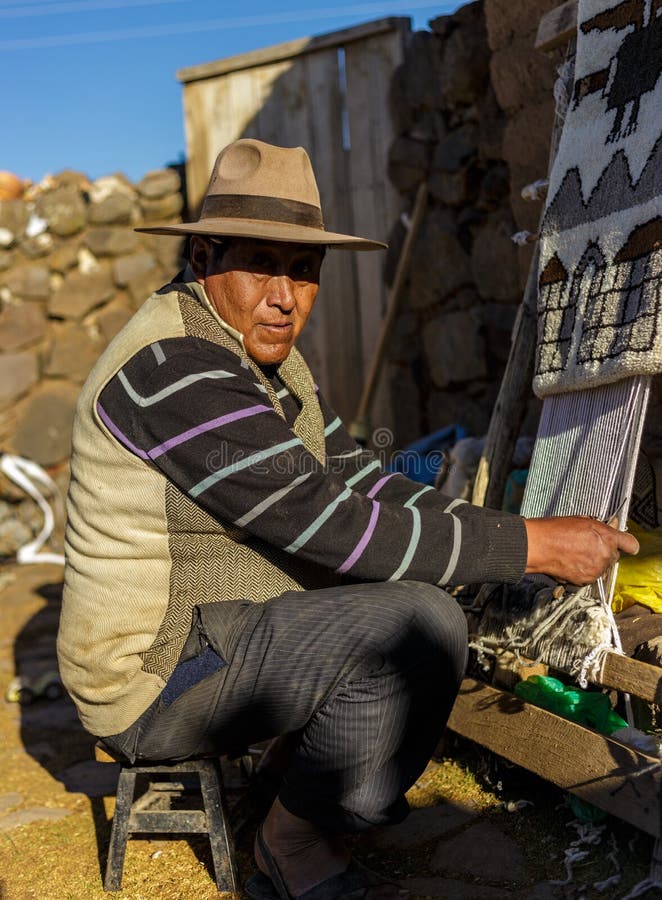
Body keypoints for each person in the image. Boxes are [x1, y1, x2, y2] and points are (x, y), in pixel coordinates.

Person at [57, 139, 638, 899]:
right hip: (153, 673)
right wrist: (531, 545)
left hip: (222, 630)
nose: (286, 296)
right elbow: (322, 518)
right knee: (421, 622)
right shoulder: (176, 368)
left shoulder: (266, 363)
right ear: (202, 255)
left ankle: (297, 788)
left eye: (303, 270)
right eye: (262, 264)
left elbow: (362, 480)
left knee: (442, 586)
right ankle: (290, 839)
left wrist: (494, 536)